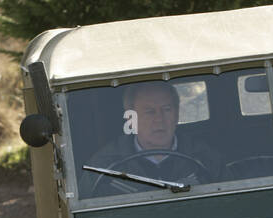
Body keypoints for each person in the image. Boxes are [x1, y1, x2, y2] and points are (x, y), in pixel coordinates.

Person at [81, 81, 223, 195]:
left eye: (167, 109)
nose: (159, 119)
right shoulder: (102, 168)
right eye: (149, 112)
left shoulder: (206, 158)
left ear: (177, 114)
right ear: (131, 118)